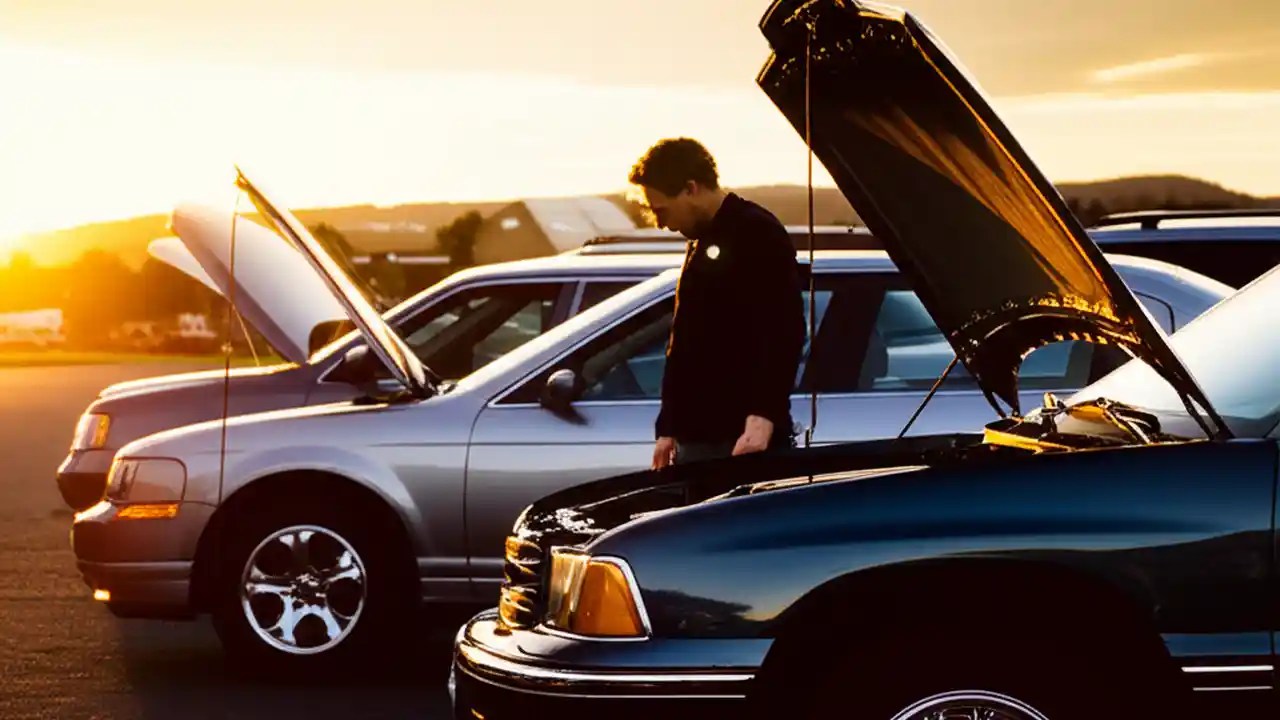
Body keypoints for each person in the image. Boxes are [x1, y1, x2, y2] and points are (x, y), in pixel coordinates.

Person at [628, 138, 806, 469]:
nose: (661, 224)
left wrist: (763, 415)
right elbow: (682, 342)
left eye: (661, 210)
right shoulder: (700, 241)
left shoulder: (757, 232)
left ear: (690, 188)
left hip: (742, 437)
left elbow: (784, 330)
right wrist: (668, 427)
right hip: (699, 437)